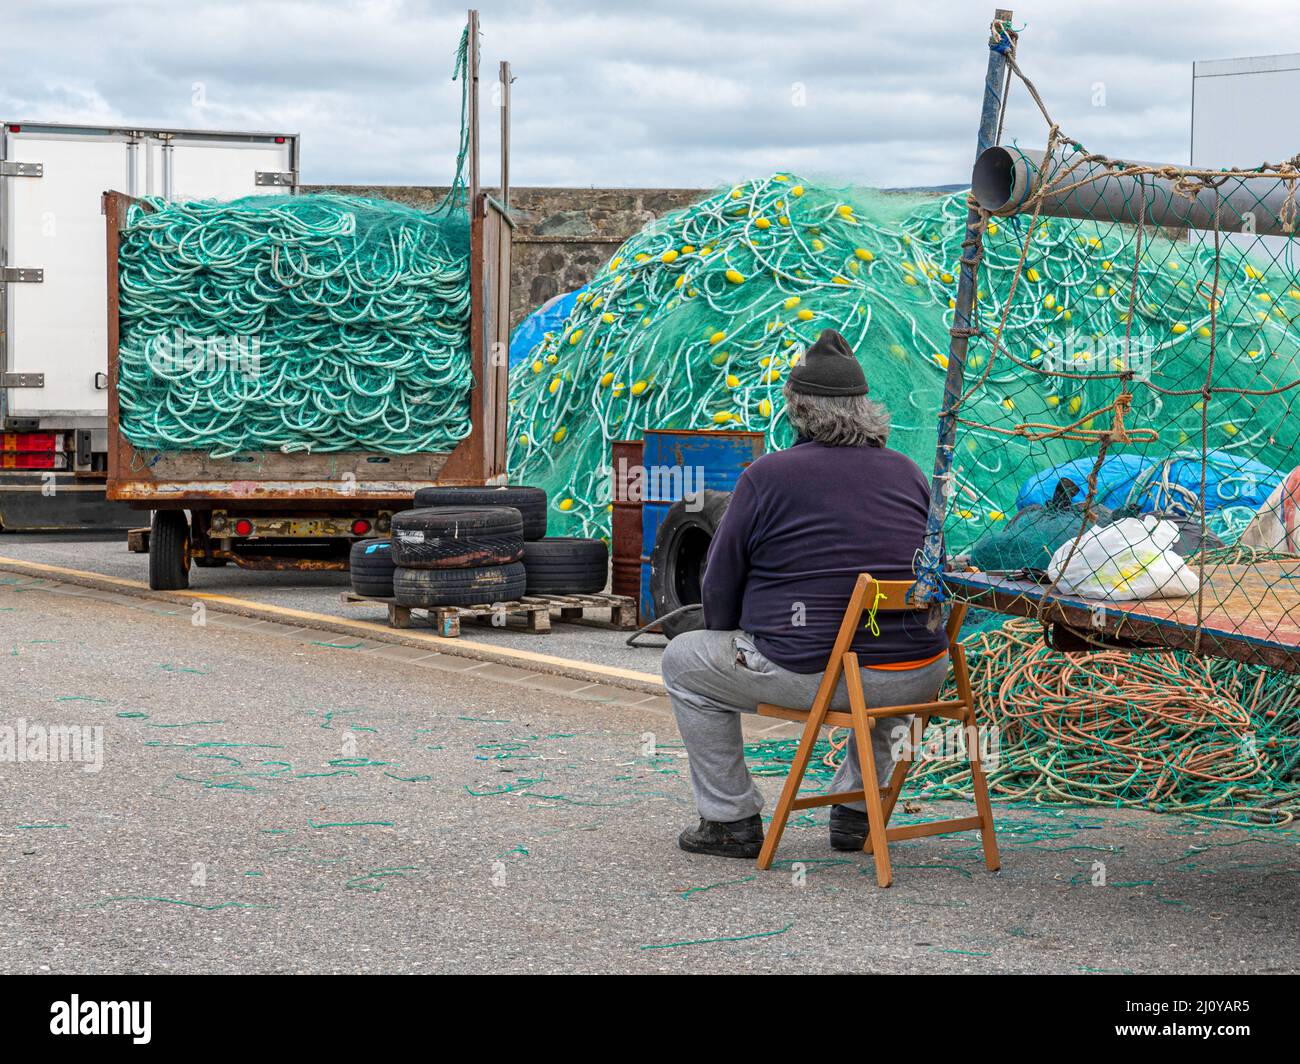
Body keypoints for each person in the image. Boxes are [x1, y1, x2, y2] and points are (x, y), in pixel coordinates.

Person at [661, 328, 948, 858]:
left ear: (797, 410)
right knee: (884, 665)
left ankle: (730, 820)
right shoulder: (908, 473)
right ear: (866, 409)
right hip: (920, 674)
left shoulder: (768, 476)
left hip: (818, 671)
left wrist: (735, 634)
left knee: (683, 660)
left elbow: (718, 584)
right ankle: (857, 812)